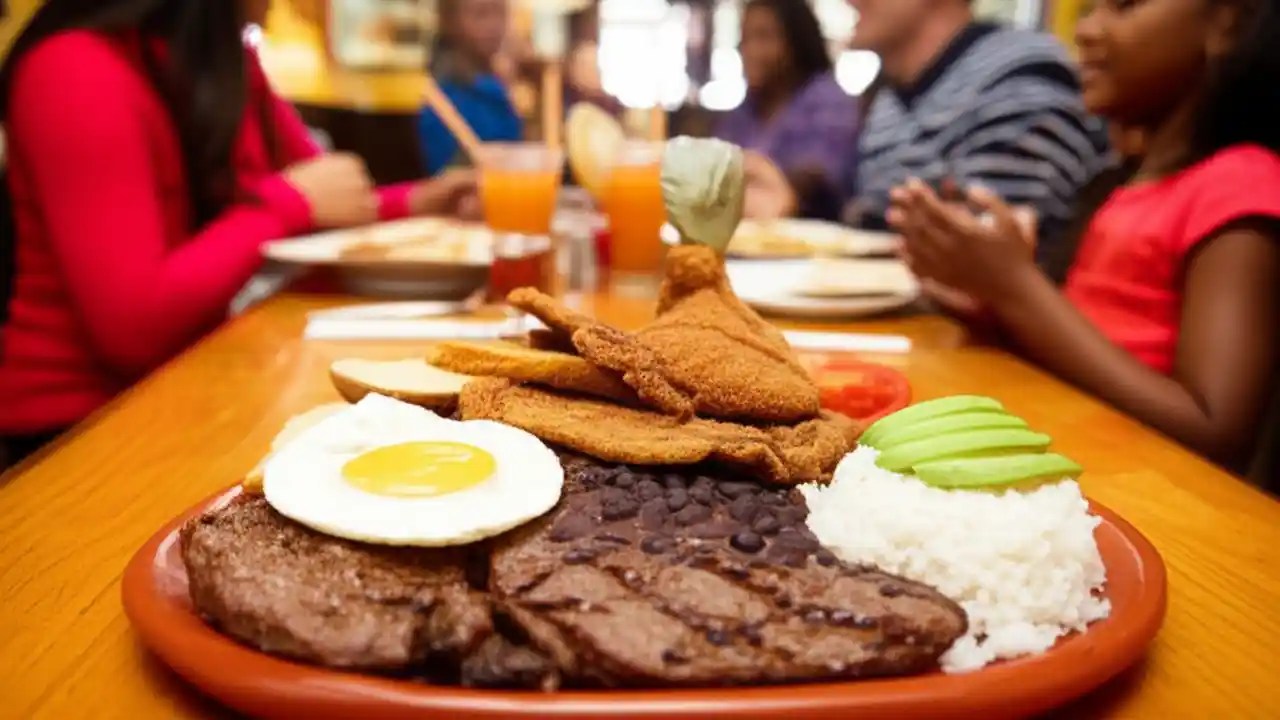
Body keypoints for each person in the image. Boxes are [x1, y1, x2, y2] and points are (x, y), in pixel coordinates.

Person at [0, 0, 477, 471]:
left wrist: (418, 202)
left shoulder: (220, 62)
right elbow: (133, 329)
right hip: (70, 432)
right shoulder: (75, 69)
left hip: (181, 389)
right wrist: (286, 204)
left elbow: (318, 196)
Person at [889, 0, 1280, 470]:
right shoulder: (1122, 186)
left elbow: (1214, 430)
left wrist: (1017, 288)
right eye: (1090, 8)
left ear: (1228, 23)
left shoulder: (1242, 183)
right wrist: (989, 301)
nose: (1087, 30)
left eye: (1124, 6)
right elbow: (1089, 351)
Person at [747, 0, 1105, 267]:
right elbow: (877, 236)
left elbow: (986, 267)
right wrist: (791, 205)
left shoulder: (1018, 72)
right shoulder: (888, 100)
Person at [715, 0, 859, 220]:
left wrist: (778, 188)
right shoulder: (745, 110)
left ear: (796, 41)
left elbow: (821, 180)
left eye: (763, 37)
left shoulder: (826, 99)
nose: (749, 50)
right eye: (744, 39)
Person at [419, 0, 522, 176]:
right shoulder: (441, 97)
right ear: (449, 21)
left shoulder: (496, 84)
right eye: (480, 14)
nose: (494, 25)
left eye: (500, 12)